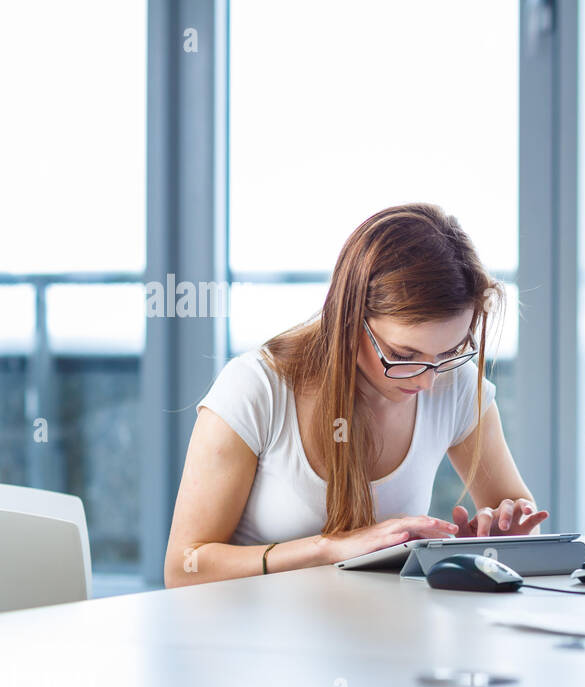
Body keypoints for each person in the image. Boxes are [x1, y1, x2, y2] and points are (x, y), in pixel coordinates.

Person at [164, 203, 545, 587]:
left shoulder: (454, 382)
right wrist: (329, 548)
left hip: (381, 636)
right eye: (402, 355)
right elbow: (183, 568)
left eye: (447, 352)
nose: (427, 383)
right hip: (250, 637)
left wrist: (501, 536)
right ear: (348, 318)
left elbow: (514, 516)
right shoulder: (256, 388)